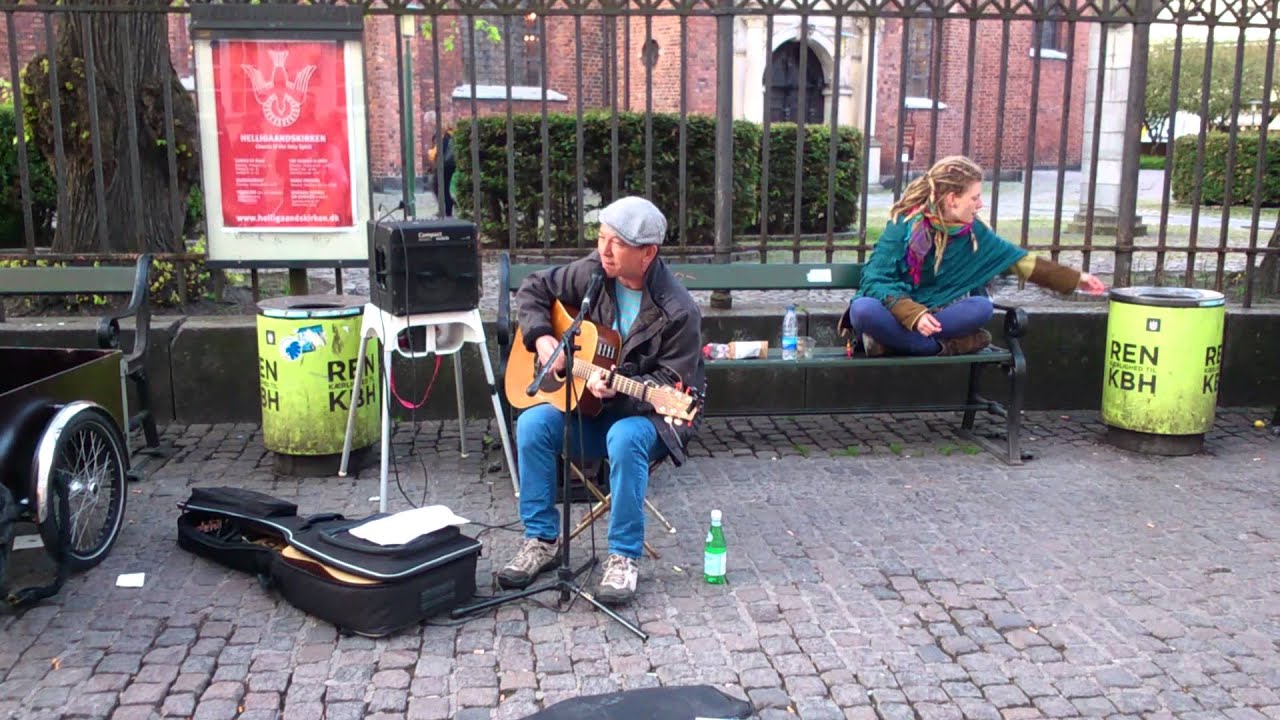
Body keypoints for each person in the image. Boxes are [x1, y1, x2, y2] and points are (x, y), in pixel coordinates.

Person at [498, 196, 705, 606]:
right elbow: (534, 288)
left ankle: (623, 556)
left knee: (625, 438)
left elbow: (674, 383)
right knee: (533, 425)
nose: (604, 250)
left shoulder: (679, 311)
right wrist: (543, 339)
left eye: (617, 243)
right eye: (601, 237)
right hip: (589, 409)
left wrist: (620, 385)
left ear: (648, 253)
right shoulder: (595, 273)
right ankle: (541, 540)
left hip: (648, 416)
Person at [840, 155, 1107, 356]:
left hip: (938, 316)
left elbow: (1016, 260)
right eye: (975, 197)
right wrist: (913, 315)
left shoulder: (974, 233)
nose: (980, 204)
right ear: (952, 199)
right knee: (863, 310)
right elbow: (874, 280)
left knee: (981, 307)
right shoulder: (904, 225)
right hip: (896, 313)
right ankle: (947, 346)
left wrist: (1076, 279)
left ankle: (890, 345)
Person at [425, 110, 455, 217]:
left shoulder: (443, 133)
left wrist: (432, 154)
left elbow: (441, 150)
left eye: (428, 123)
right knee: (441, 186)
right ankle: (446, 208)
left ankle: (447, 208)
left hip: (445, 164)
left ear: (432, 121)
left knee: (439, 186)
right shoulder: (444, 132)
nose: (428, 126)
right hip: (447, 163)